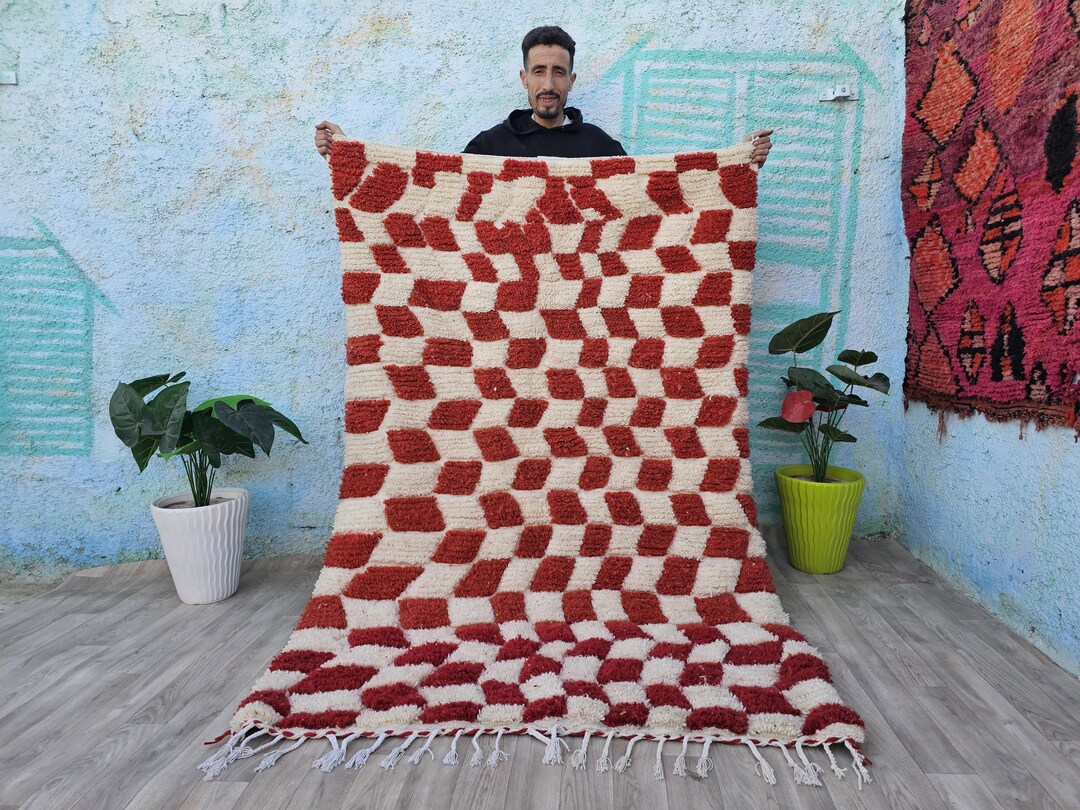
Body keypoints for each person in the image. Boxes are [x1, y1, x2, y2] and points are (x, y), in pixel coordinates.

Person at [315, 26, 773, 165]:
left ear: (572, 80)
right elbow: (431, 190)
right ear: (524, 78)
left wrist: (738, 165)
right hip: (507, 310)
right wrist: (348, 154)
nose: (549, 84)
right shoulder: (492, 145)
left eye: (558, 72)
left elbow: (655, 204)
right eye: (540, 72)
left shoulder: (599, 147)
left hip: (584, 312)